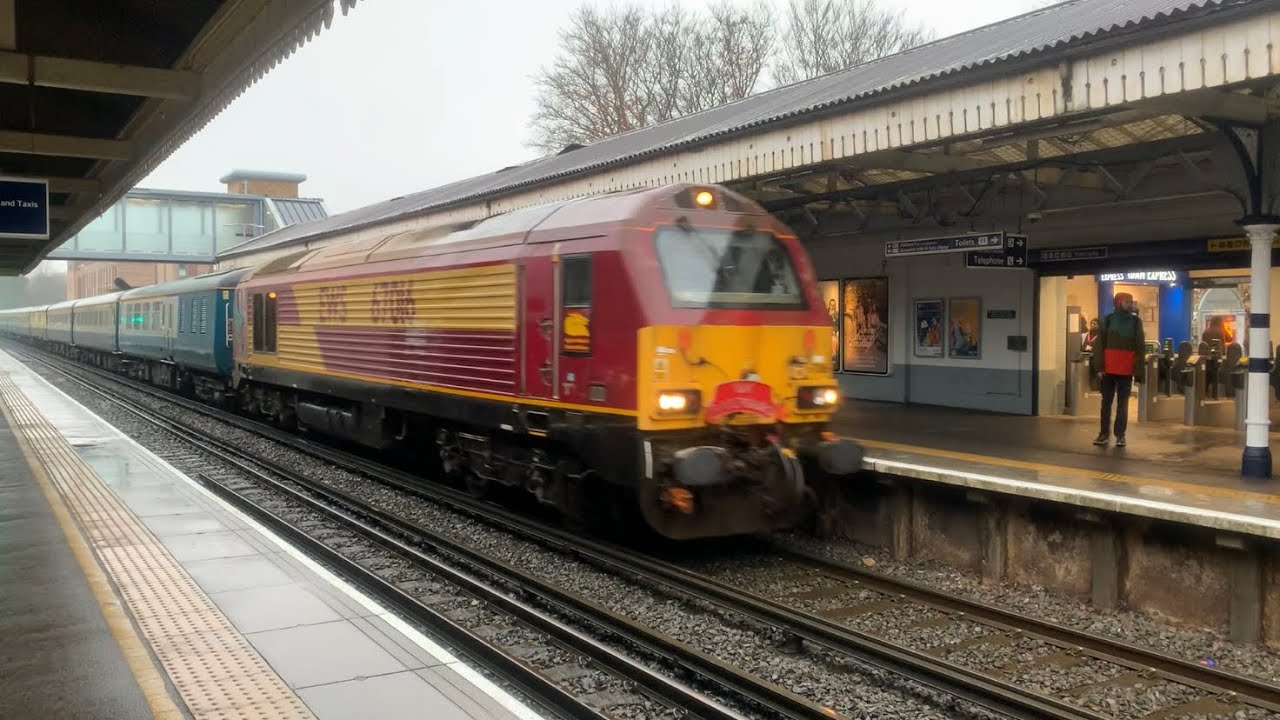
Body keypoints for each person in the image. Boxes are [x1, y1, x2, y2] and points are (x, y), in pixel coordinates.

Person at [1091, 292, 1146, 447]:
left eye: (1131, 301)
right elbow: (1099, 344)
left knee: (1122, 405)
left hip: (1126, 370)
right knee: (1106, 403)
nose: (1131, 304)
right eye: (1127, 301)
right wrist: (1100, 367)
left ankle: (1120, 435)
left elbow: (1140, 347)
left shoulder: (1136, 322)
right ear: (1119, 302)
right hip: (1108, 370)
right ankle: (1104, 434)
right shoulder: (1107, 320)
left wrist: (1138, 371)